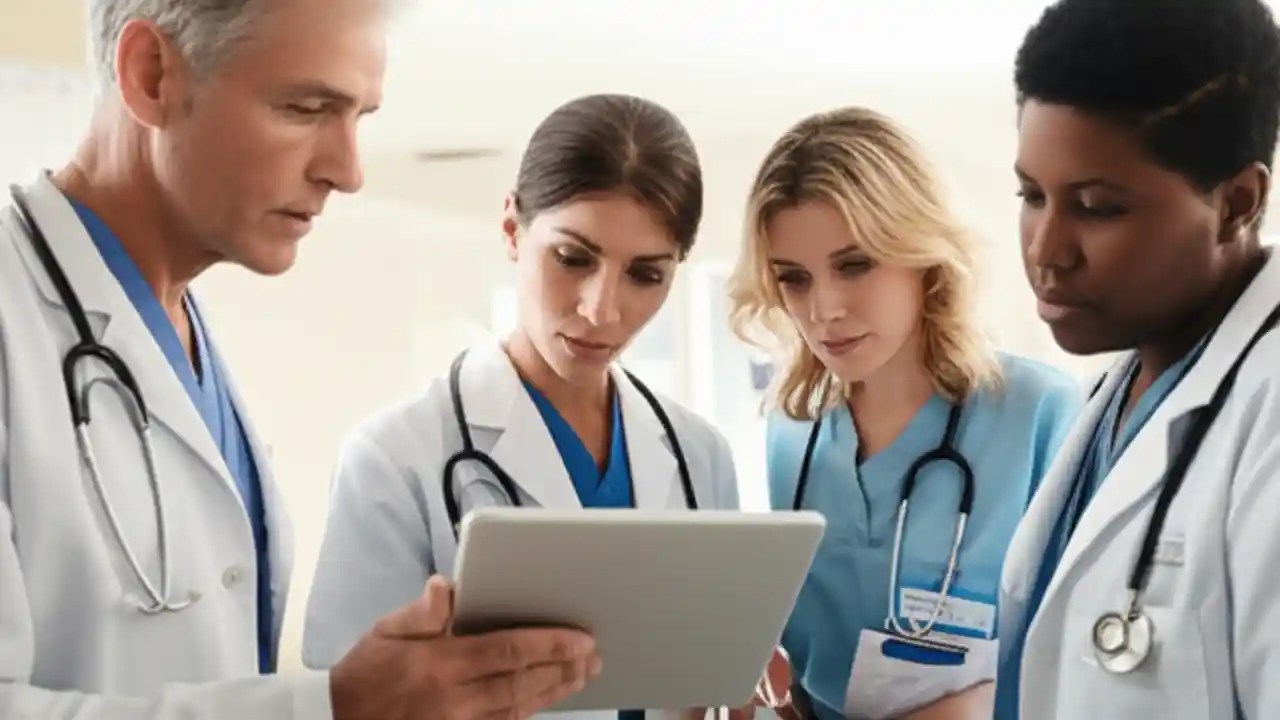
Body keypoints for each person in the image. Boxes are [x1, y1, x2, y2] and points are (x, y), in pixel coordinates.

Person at [0, 1, 600, 718]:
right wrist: (337, 708)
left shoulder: (176, 328)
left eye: (359, 118)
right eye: (306, 107)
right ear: (151, 75)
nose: (348, 172)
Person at [301, 93, 740, 719]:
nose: (601, 309)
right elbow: (349, 702)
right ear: (512, 228)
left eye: (646, 275)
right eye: (572, 258)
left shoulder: (700, 455)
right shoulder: (397, 458)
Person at [724, 107, 1083, 720]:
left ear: (923, 255)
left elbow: (1086, 656)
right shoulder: (794, 435)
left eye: (854, 264)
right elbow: (809, 666)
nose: (824, 310)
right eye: (794, 279)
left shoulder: (1043, 414)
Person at [995, 0, 1280, 717]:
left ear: (1237, 203)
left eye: (1096, 207)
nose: (1045, 250)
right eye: (1032, 195)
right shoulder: (1121, 389)